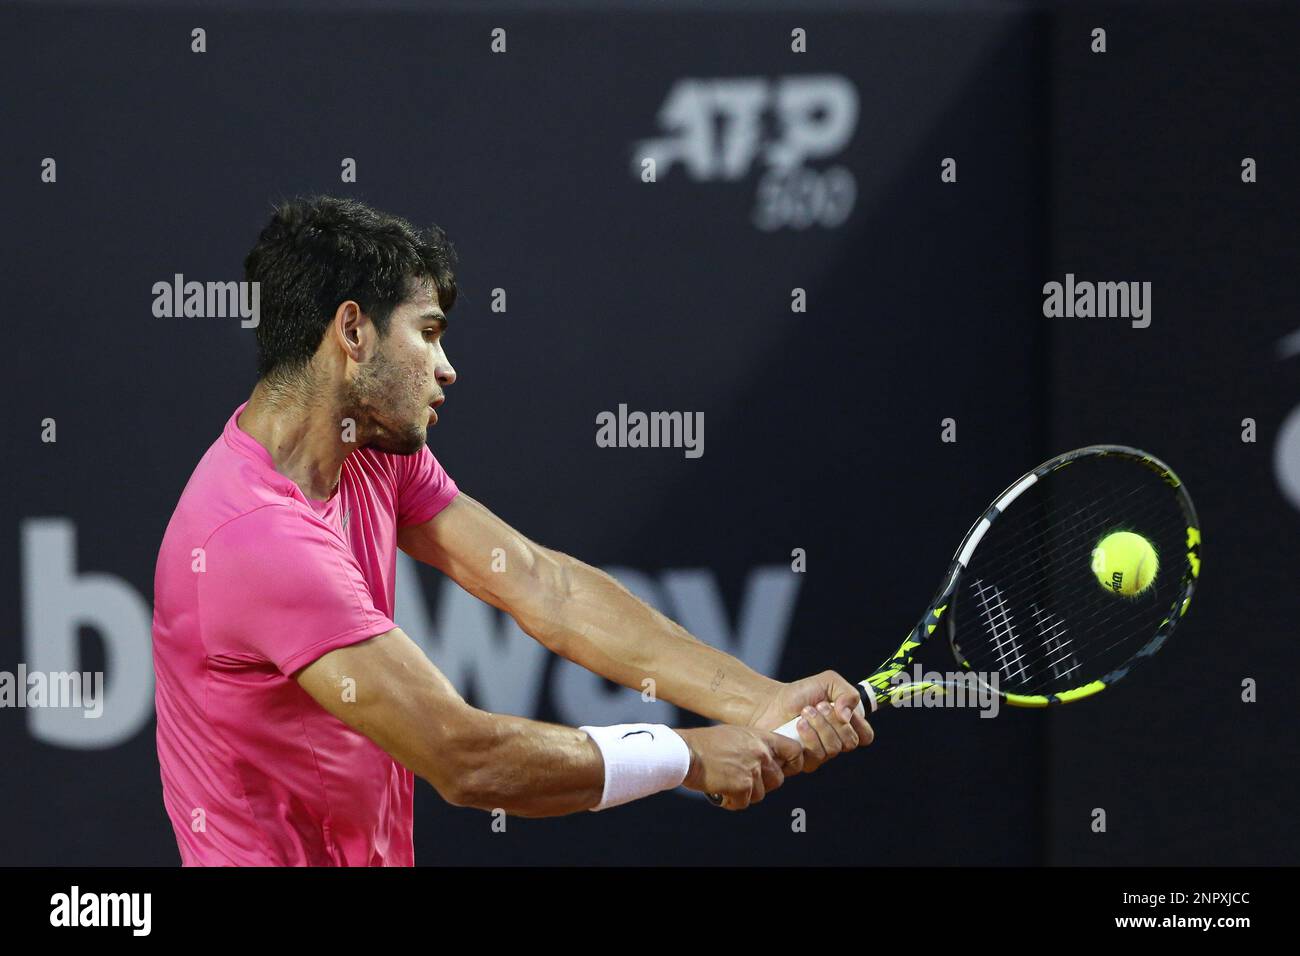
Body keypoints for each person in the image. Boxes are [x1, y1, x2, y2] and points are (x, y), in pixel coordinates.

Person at [151, 196, 872, 866]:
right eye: (428, 334)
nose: (447, 368)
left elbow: (542, 584)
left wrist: (759, 701)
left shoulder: (368, 453)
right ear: (352, 332)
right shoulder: (256, 539)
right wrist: (682, 756)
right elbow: (465, 759)